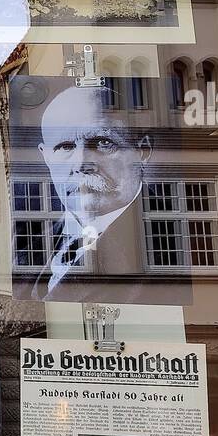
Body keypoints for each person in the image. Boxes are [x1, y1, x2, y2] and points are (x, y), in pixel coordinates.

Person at [31, 84, 151, 301]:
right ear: (46, 156)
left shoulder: (167, 240)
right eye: (65, 147)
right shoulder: (28, 242)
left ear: (142, 151)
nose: (81, 163)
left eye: (103, 143)